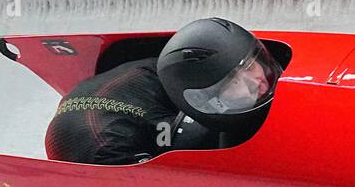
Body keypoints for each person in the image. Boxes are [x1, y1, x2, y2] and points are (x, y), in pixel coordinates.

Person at [45, 18, 283, 165]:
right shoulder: (110, 147)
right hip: (89, 145)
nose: (257, 79)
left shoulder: (178, 67)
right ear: (206, 97)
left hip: (117, 95)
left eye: (251, 64)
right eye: (234, 81)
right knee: (196, 140)